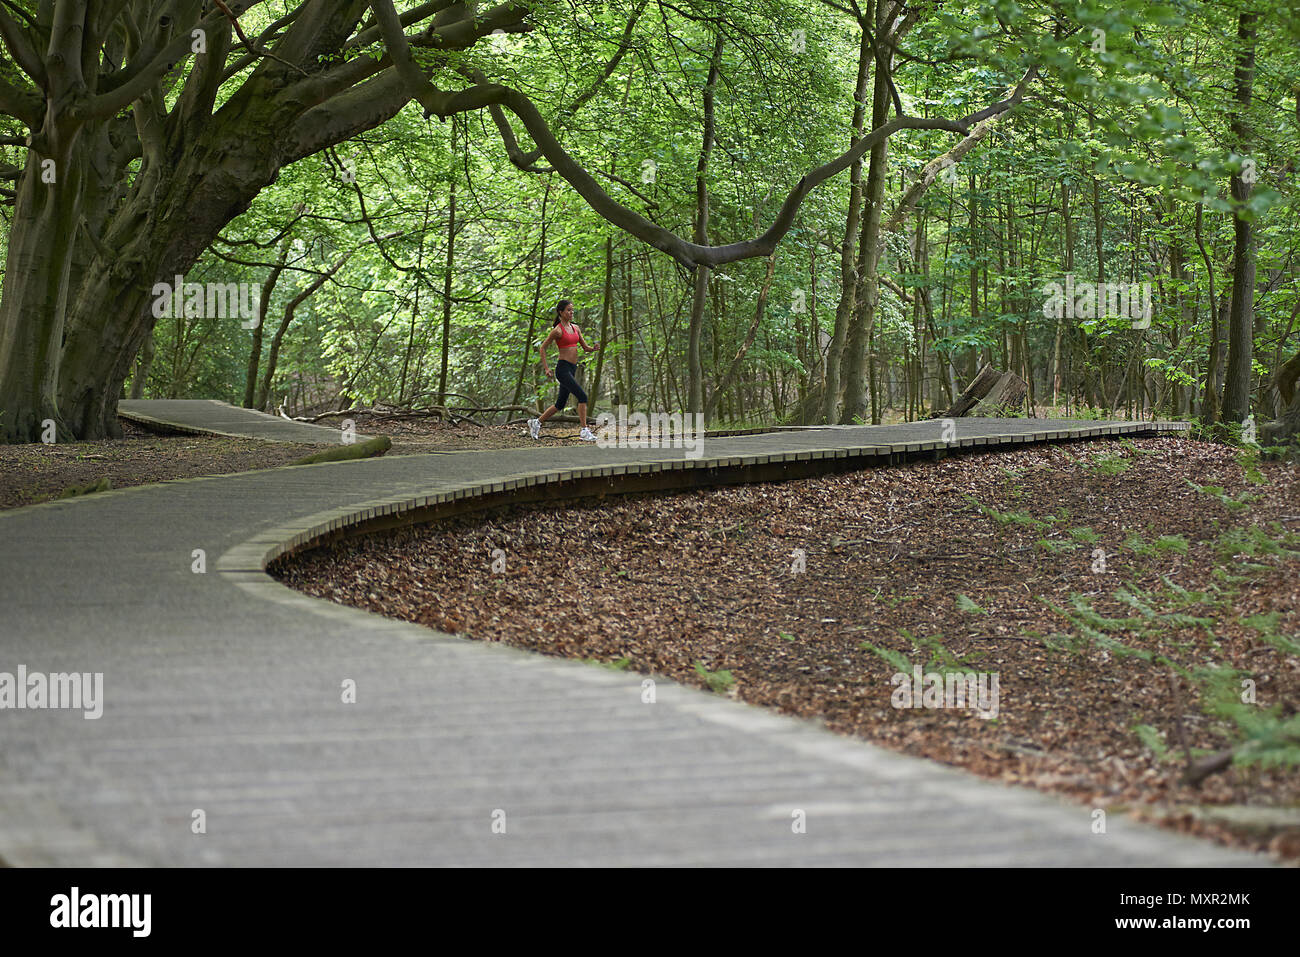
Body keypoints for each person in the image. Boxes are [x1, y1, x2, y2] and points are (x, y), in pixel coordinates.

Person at [529, 299, 600, 441]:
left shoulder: (576, 328)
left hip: (572, 368)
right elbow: (543, 348)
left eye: (572, 310)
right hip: (562, 369)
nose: (571, 312)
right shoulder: (557, 331)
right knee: (582, 397)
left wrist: (593, 349)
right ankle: (584, 431)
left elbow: (585, 348)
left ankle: (536, 422)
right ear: (561, 312)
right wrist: (546, 368)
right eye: (568, 310)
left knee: (560, 404)